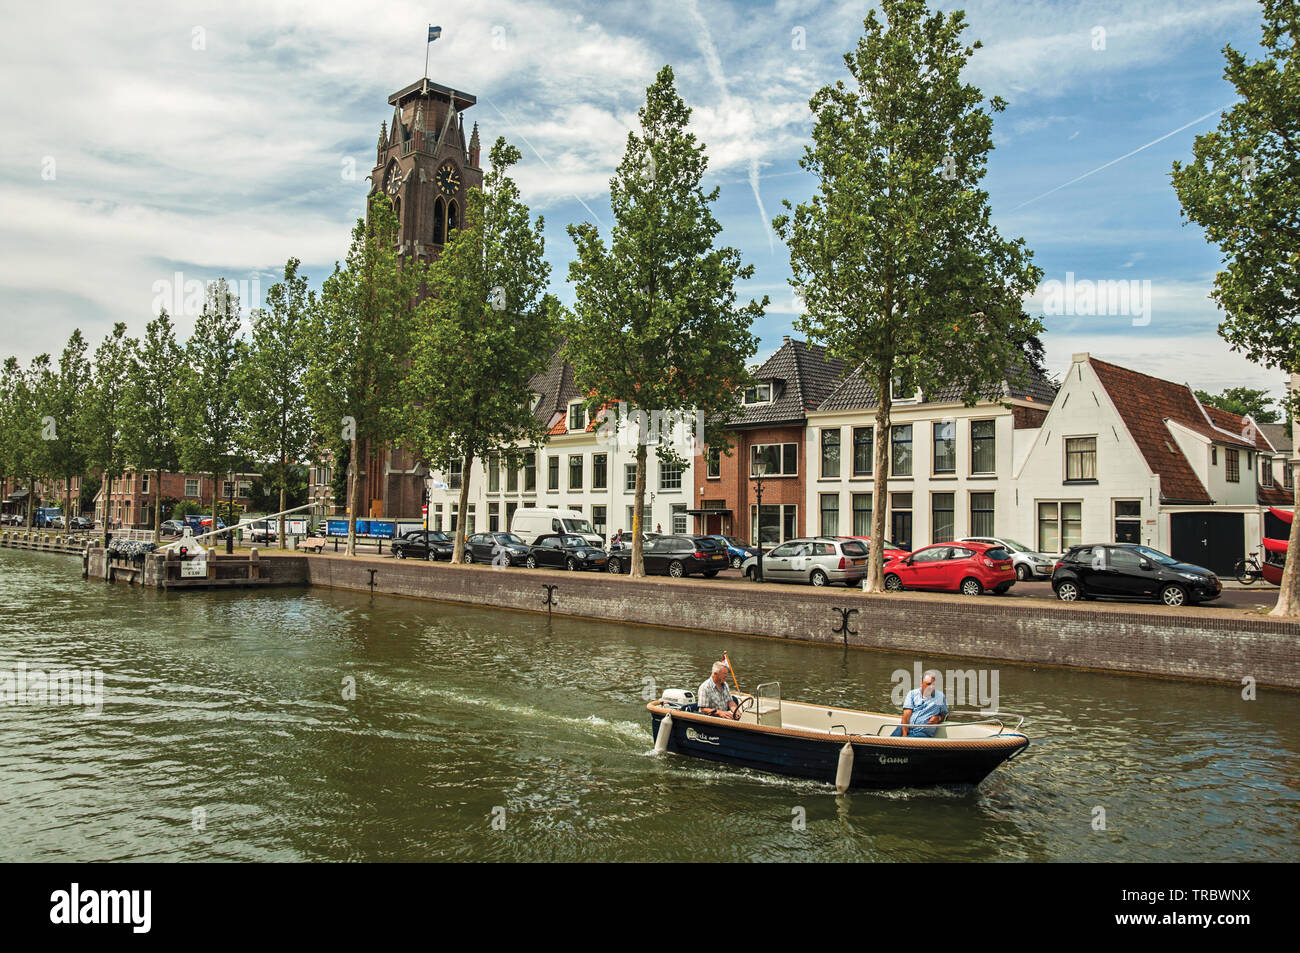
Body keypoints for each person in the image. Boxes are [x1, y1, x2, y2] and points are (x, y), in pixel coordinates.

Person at [892, 673, 947, 738]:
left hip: (922, 732)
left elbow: (944, 715)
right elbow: (906, 716)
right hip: (906, 727)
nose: (931, 687)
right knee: (889, 741)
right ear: (921, 684)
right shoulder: (912, 694)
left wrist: (938, 718)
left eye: (933, 684)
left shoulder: (940, 697)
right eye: (928, 684)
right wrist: (904, 736)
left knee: (910, 742)